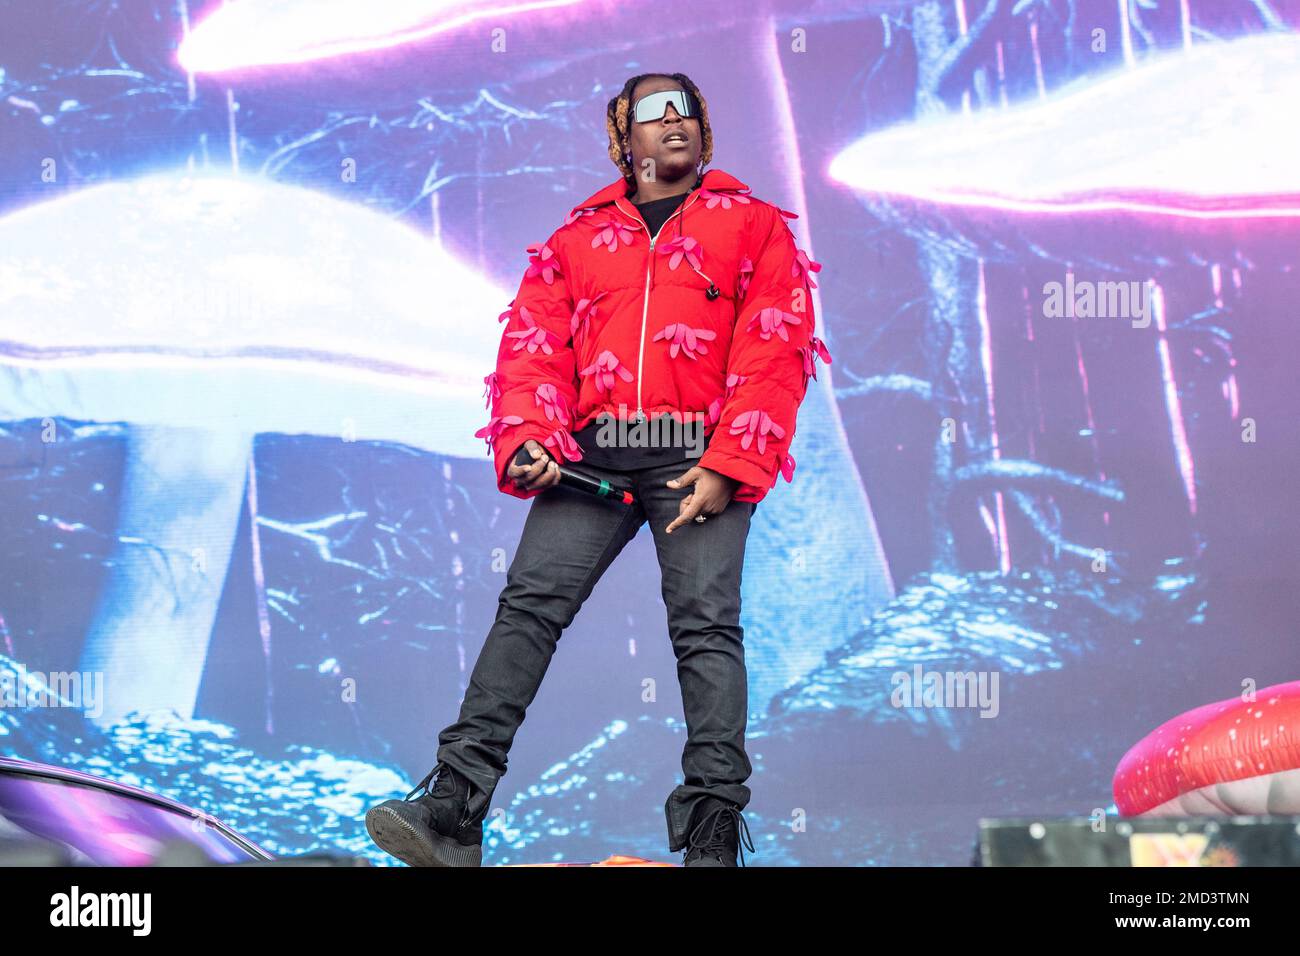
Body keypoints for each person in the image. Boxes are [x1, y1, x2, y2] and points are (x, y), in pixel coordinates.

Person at [365, 71, 829, 867]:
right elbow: (532, 349)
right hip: (593, 457)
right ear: (626, 136)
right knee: (527, 610)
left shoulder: (753, 226)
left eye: (688, 108)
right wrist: (530, 438)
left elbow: (775, 345)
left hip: (696, 458)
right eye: (654, 112)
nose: (675, 121)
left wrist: (730, 462)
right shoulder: (577, 238)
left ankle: (713, 834)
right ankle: (454, 809)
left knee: (705, 629)